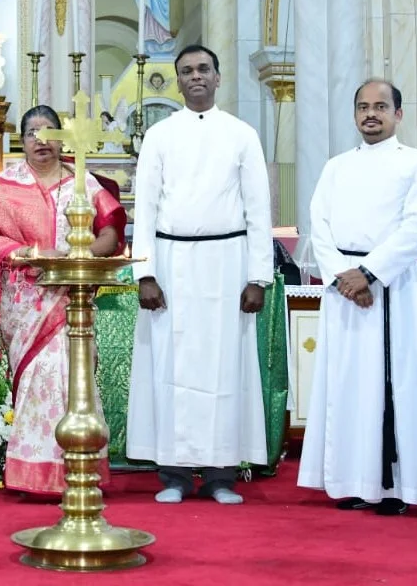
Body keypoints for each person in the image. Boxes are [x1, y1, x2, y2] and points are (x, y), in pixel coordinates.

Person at [126, 44, 271, 504]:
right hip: (171, 261)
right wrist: (144, 273)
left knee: (225, 366)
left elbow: (259, 209)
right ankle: (172, 473)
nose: (196, 77)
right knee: (170, 364)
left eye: (204, 69)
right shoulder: (160, 136)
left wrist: (258, 277)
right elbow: (144, 208)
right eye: (186, 70)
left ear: (218, 76)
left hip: (228, 261)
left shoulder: (242, 134)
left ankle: (220, 474)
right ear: (177, 78)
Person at [298, 80, 417, 516]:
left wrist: (370, 274)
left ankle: (396, 488)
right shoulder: (336, 166)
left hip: (393, 287)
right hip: (345, 292)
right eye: (362, 107)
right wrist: (342, 276)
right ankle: (353, 481)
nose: (370, 114)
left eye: (380, 106)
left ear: (399, 113)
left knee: (394, 385)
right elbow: (318, 224)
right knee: (348, 386)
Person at [0, 105, 127, 495]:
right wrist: (31, 254)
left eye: (49, 132)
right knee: (38, 379)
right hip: (26, 301)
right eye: (31, 133)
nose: (41, 140)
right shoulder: (4, 185)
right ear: (21, 141)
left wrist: (81, 257)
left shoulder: (82, 183)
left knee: (71, 375)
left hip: (71, 298)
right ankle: (34, 473)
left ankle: (80, 468)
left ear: (62, 139)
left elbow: (109, 232)